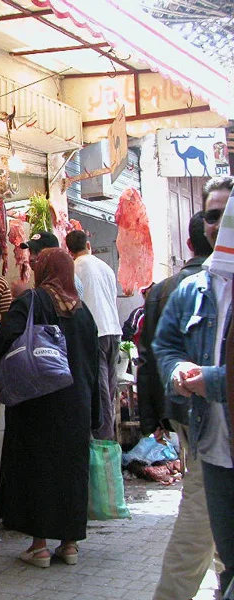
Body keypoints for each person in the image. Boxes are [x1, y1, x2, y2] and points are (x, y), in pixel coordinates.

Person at [0, 248, 100, 568]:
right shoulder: (83, 313)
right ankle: (69, 545)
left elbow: (3, 339)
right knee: (69, 471)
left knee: (37, 467)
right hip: (76, 405)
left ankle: (38, 547)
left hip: (38, 403)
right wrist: (93, 411)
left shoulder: (33, 301)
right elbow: (94, 364)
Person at [152, 176, 234, 597]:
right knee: (208, 538)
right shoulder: (191, 289)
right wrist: (178, 372)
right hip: (208, 441)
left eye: (227, 214)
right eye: (213, 216)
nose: (220, 224)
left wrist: (212, 381)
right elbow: (163, 346)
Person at [143, 209, 217, 600]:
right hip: (205, 418)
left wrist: (156, 416)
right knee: (202, 513)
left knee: (208, 513)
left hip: (189, 415)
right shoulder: (196, 288)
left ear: (188, 243)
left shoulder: (165, 288)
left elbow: (150, 356)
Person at [66, 229, 122, 440]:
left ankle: (103, 445)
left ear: (69, 250)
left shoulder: (74, 268)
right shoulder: (105, 267)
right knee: (110, 388)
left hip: (95, 332)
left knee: (101, 392)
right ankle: (108, 442)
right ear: (88, 245)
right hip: (114, 331)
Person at [20, 231, 84, 299]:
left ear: (53, 254)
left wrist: (26, 297)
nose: (31, 258)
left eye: (37, 252)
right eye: (30, 252)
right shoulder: (45, 277)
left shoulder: (68, 281)